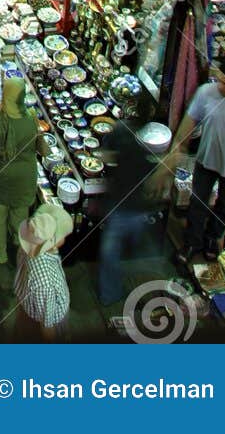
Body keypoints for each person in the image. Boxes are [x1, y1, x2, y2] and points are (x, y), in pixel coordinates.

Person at [161, 55, 225, 262]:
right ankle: (192, 242)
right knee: (198, 202)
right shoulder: (205, 93)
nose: (221, 87)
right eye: (220, 81)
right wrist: (178, 146)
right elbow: (189, 122)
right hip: (206, 159)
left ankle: (212, 238)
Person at [97, 108, 159, 304]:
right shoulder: (153, 141)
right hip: (138, 206)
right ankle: (148, 288)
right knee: (140, 249)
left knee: (111, 252)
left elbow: (105, 156)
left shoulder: (121, 129)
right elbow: (153, 183)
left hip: (119, 204)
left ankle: (110, 295)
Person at [0, 76, 41, 264]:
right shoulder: (32, 117)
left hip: (1, 176)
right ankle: (18, 243)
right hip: (25, 176)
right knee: (20, 212)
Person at [14, 202, 73, 339]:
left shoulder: (28, 245)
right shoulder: (45, 284)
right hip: (45, 321)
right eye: (61, 234)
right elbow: (47, 325)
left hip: (26, 302)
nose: (65, 235)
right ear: (52, 242)